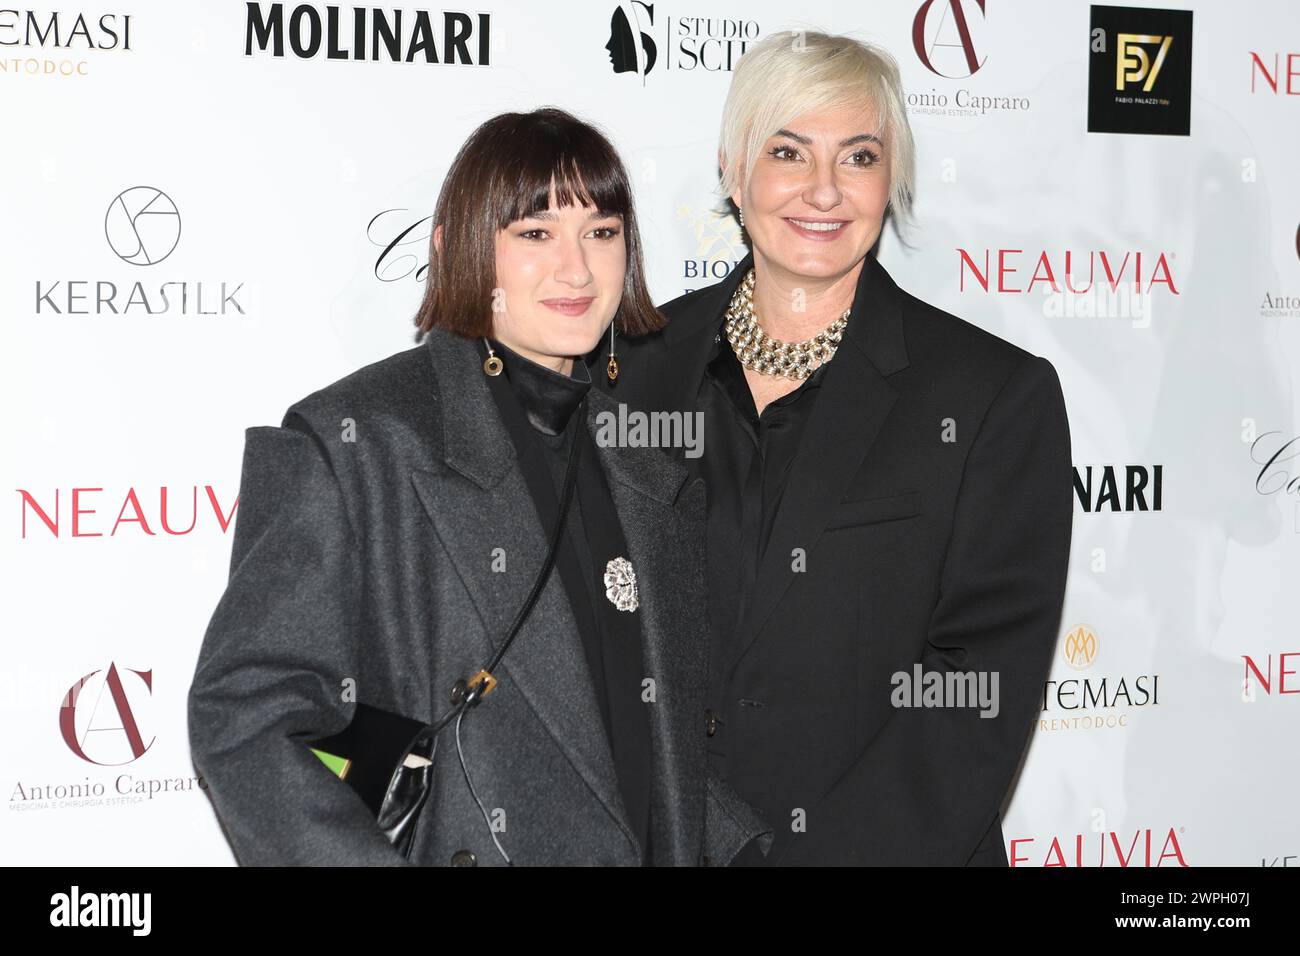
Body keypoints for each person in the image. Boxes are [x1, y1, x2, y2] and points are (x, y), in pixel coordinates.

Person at [187, 107, 771, 866]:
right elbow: (246, 716)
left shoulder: (648, 465)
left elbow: (653, 744)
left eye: (601, 231)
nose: (577, 269)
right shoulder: (355, 443)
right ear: (459, 248)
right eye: (535, 234)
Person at [596, 32, 1074, 865]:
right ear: (734, 172)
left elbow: (973, 692)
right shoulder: (629, 368)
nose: (823, 190)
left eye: (858, 156)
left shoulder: (990, 396)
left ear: (889, 182)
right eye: (788, 151)